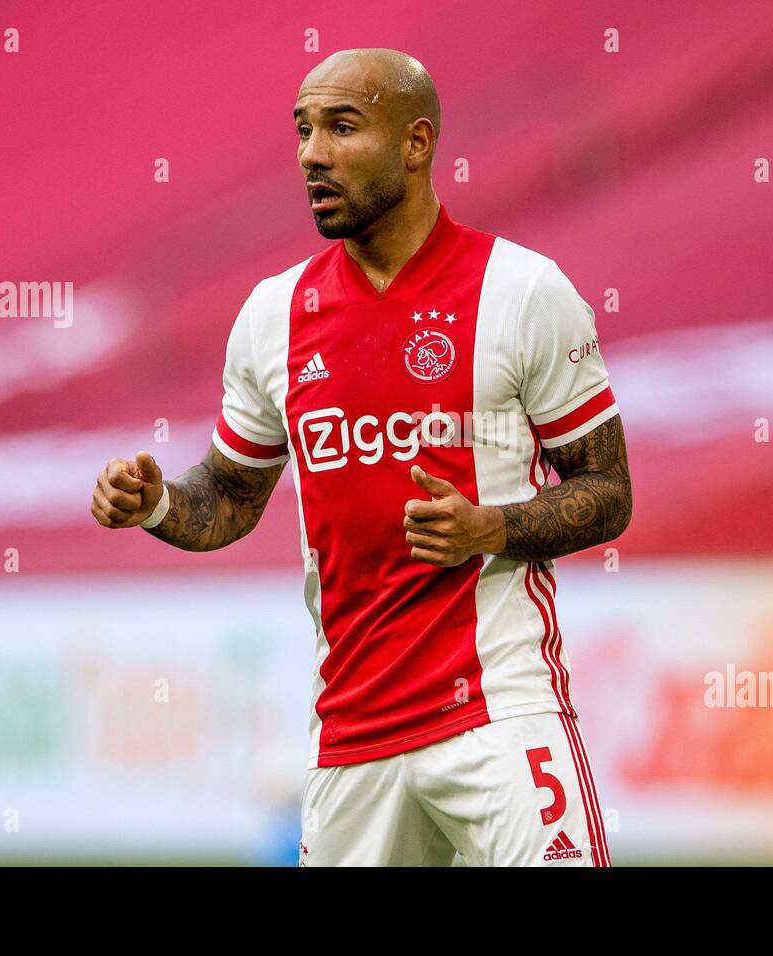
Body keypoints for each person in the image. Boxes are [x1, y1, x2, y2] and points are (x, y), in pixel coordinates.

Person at [91, 48, 631, 866]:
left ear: (416, 144)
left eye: (342, 127)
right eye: (304, 130)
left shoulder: (521, 291)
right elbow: (232, 496)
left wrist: (490, 527)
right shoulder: (273, 315)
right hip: (352, 735)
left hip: (499, 711)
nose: (313, 152)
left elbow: (608, 491)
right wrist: (159, 502)